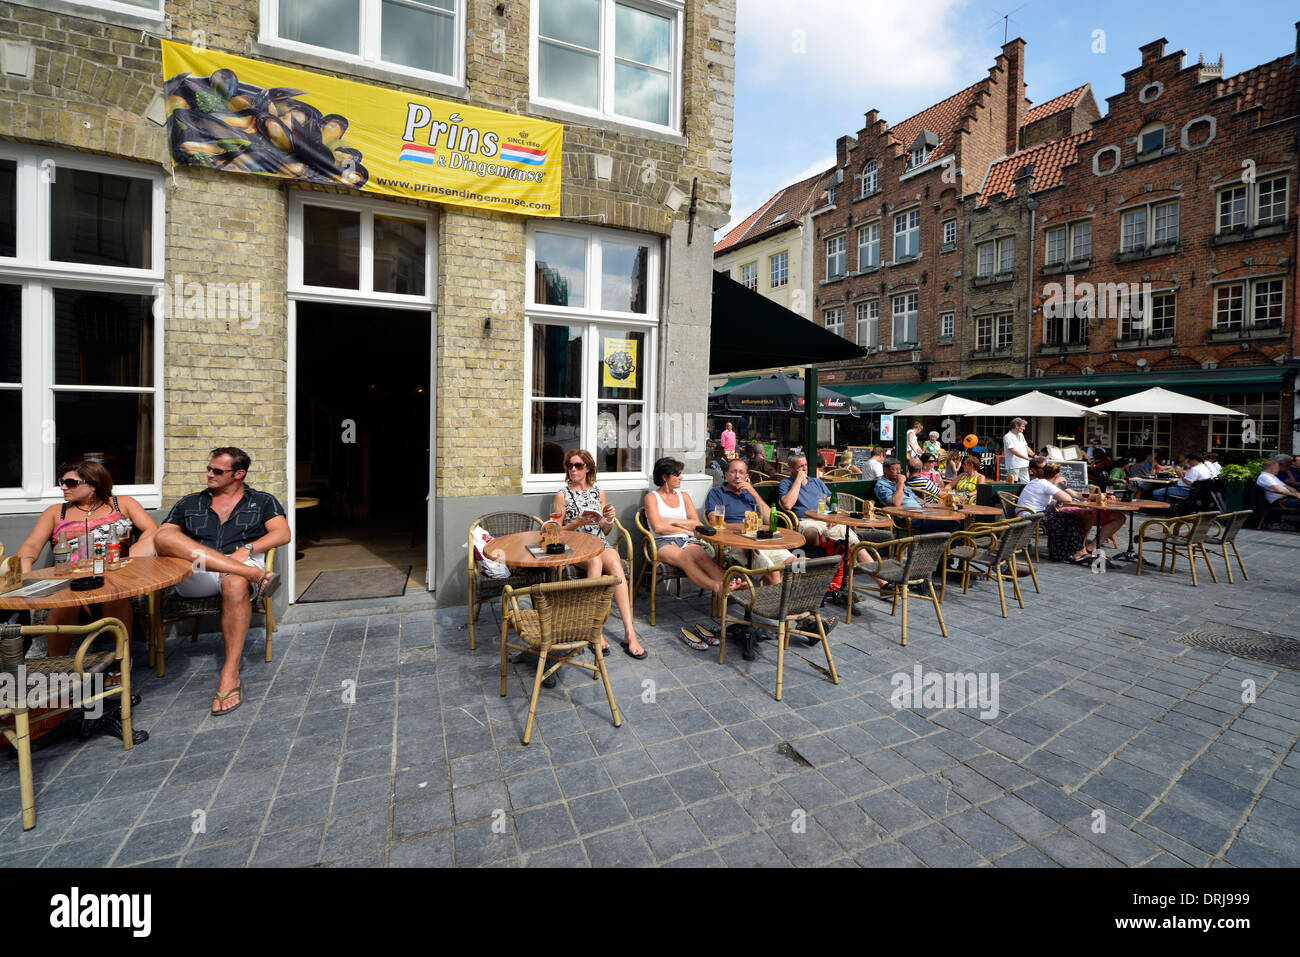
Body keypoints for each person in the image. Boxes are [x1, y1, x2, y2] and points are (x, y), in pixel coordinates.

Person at [153, 447, 289, 715]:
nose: (209, 474)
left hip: (242, 564)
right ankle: (255, 577)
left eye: (217, 471)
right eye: (209, 468)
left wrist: (247, 550)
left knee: (235, 581)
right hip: (199, 569)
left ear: (239, 474)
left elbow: (282, 533)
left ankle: (230, 673)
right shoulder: (190, 502)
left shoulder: (262, 501)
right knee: (164, 536)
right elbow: (163, 539)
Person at [14, 457, 160, 654]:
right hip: (72, 578)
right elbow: (31, 545)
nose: (63, 488)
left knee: (113, 597)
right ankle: (56, 663)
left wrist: (120, 560)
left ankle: (120, 660)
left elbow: (152, 532)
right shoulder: (56, 512)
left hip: (116, 574)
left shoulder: (123, 504)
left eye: (70, 483)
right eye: (62, 482)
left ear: (93, 484)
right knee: (65, 604)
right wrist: (26, 574)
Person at [553, 449, 645, 659]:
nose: (573, 469)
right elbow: (555, 531)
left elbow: (605, 530)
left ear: (588, 468)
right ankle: (595, 631)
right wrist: (577, 522)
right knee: (595, 561)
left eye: (578, 465)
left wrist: (610, 519)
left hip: (599, 542)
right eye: (570, 465)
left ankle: (630, 633)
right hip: (576, 546)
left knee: (614, 561)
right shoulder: (562, 495)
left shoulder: (598, 493)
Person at [644, 456, 746, 609]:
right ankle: (718, 587)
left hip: (685, 540)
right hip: (661, 542)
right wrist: (685, 528)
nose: (681, 477)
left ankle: (731, 585)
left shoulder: (683, 496)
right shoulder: (652, 497)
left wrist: (672, 521)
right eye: (677, 474)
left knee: (703, 556)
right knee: (685, 557)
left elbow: (696, 523)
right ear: (665, 477)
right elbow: (658, 528)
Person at [705, 459, 794, 587]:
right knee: (773, 573)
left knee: (794, 564)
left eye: (741, 473)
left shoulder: (749, 494)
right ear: (726, 475)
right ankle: (779, 606)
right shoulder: (716, 493)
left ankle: (792, 605)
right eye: (733, 472)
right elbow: (715, 523)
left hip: (759, 538)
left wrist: (753, 492)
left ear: (747, 477)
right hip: (734, 541)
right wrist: (745, 538)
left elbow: (769, 520)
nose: (737, 476)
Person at [1017, 462, 1123, 564]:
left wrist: (1054, 502)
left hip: (1032, 514)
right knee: (1074, 519)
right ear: (1056, 475)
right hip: (1033, 516)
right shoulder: (1044, 484)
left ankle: (1075, 551)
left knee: (1073, 518)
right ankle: (1077, 553)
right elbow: (1067, 498)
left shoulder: (1037, 482)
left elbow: (1046, 500)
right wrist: (1056, 483)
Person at [779, 453, 859, 551]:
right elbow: (787, 505)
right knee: (812, 533)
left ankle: (869, 565)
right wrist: (798, 481)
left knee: (853, 541)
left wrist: (834, 517)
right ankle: (820, 564)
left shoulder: (817, 482)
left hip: (827, 520)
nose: (805, 469)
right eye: (801, 466)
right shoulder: (786, 484)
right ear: (791, 469)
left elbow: (833, 503)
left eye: (806, 465)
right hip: (807, 521)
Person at [1003, 418, 1032, 483]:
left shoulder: (1021, 435)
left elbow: (1026, 447)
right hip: (1013, 465)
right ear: (1016, 426)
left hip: (1024, 463)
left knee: (1026, 483)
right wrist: (1027, 458)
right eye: (1023, 426)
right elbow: (1013, 451)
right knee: (1013, 484)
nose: (1024, 428)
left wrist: (1034, 456)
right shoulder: (1008, 436)